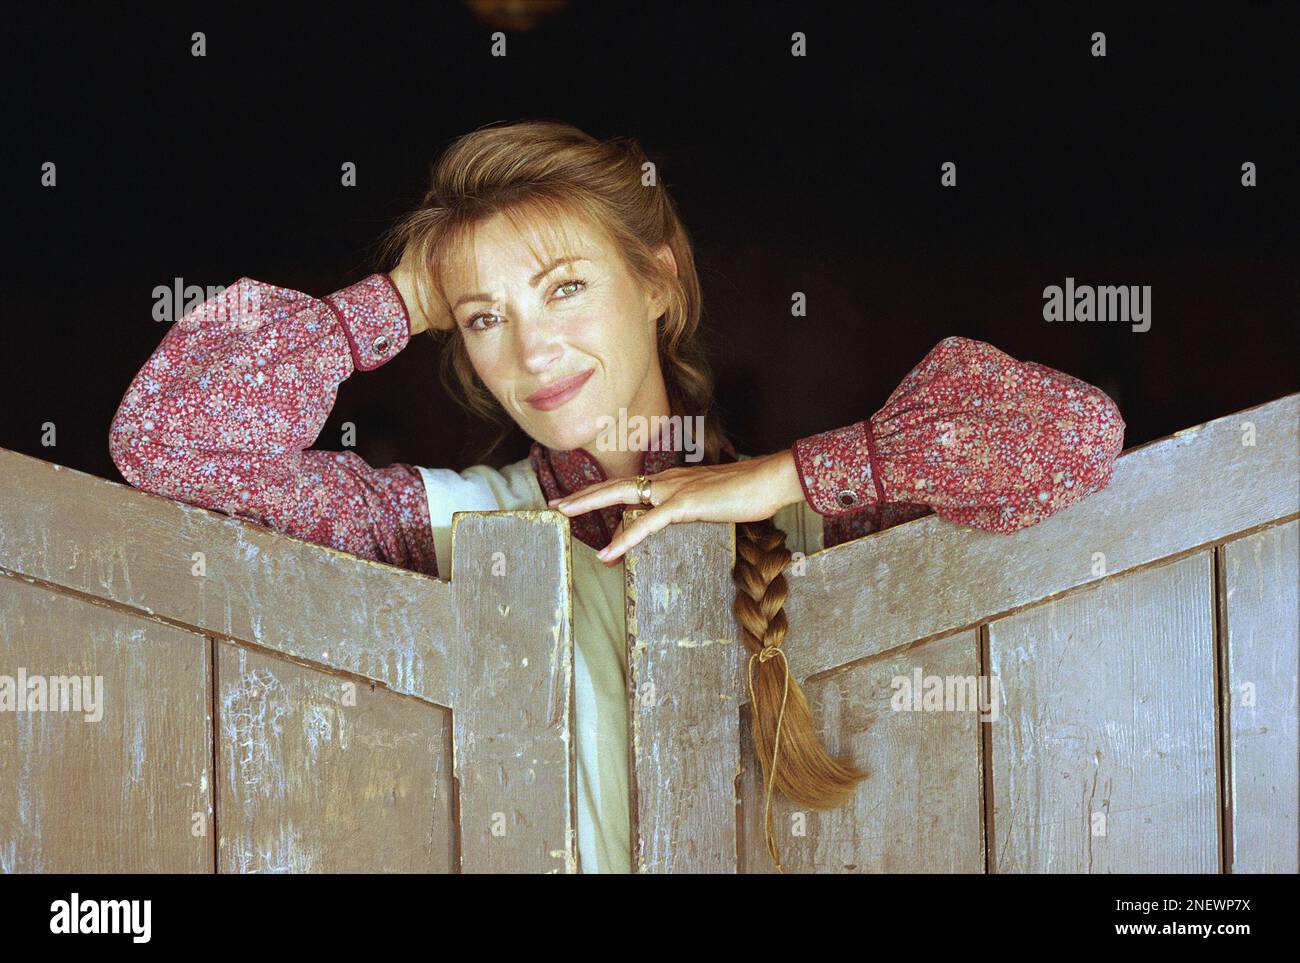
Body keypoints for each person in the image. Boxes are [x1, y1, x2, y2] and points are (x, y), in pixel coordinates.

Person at [109, 119, 1126, 874]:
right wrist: (400, 294)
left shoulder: (839, 510)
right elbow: (170, 444)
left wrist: (778, 478)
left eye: (562, 287)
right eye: (481, 317)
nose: (533, 348)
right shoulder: (450, 526)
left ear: (656, 279)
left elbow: (1074, 438)